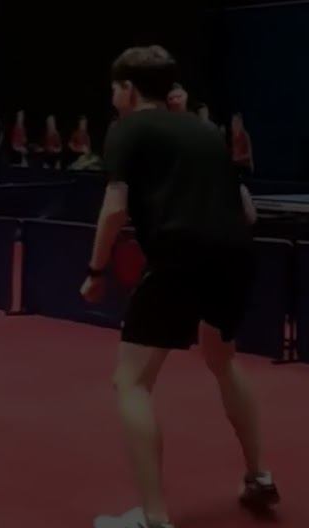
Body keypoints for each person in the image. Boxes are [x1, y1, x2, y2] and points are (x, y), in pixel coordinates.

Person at [82, 46, 278, 528]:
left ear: (129, 89)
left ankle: (153, 518)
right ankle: (258, 475)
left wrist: (96, 271)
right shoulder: (205, 130)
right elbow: (247, 209)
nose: (113, 97)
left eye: (115, 88)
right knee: (222, 358)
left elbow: (115, 207)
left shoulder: (126, 130)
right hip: (235, 253)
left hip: (179, 255)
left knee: (131, 381)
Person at [231, 113, 254, 177]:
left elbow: (249, 154)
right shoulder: (231, 135)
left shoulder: (245, 135)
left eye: (237, 121)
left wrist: (238, 157)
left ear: (241, 122)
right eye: (233, 121)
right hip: (234, 165)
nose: (235, 123)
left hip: (244, 165)